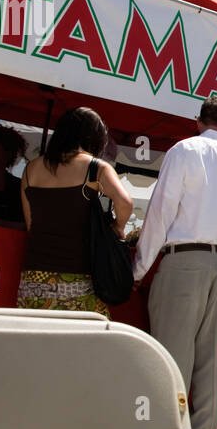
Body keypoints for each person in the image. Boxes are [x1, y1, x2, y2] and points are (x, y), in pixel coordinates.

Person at [133, 97, 217, 429]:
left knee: (173, 361)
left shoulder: (184, 150)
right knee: (210, 364)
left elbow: (160, 214)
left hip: (184, 259)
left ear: (198, 120)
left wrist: (139, 268)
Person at [16, 107, 132, 318]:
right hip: (78, 277)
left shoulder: (31, 168)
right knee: (81, 346)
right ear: (95, 137)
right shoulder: (96, 168)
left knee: (34, 344)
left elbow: (31, 224)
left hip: (34, 276)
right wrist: (117, 227)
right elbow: (125, 202)